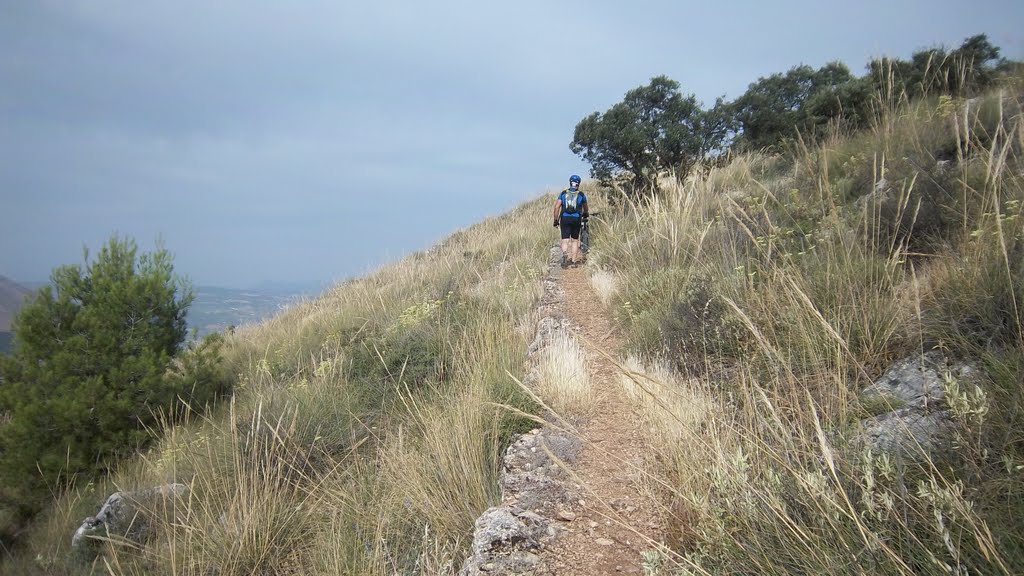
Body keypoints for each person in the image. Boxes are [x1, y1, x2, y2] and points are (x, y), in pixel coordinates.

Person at [553, 174, 589, 268]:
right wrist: (585, 213)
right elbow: (585, 207)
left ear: (570, 182)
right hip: (576, 218)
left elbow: (557, 207)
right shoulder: (581, 195)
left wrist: (555, 220)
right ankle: (573, 261)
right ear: (578, 183)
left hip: (565, 218)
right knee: (574, 240)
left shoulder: (563, 193)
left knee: (565, 240)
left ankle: (564, 254)